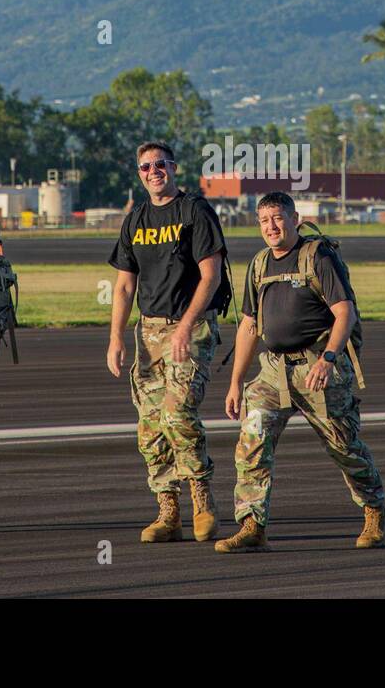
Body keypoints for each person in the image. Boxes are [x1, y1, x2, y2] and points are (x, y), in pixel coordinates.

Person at [215, 190, 385, 553]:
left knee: (343, 445)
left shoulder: (318, 257)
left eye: (278, 218)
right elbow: (249, 325)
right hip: (272, 369)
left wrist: (327, 359)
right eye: (264, 220)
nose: (271, 226)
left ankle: (375, 510)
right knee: (252, 440)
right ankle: (252, 524)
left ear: (295, 219)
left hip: (317, 368)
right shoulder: (260, 264)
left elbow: (345, 313)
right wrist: (235, 383)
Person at [107, 142, 231, 543]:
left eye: (160, 164)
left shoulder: (195, 212)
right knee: (149, 428)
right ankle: (168, 511)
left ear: (173, 168)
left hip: (190, 328)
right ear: (139, 173)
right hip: (149, 332)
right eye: (145, 166)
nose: (153, 171)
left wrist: (185, 326)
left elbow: (210, 275)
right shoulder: (135, 219)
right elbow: (125, 285)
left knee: (178, 413)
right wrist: (115, 338)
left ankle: (202, 499)